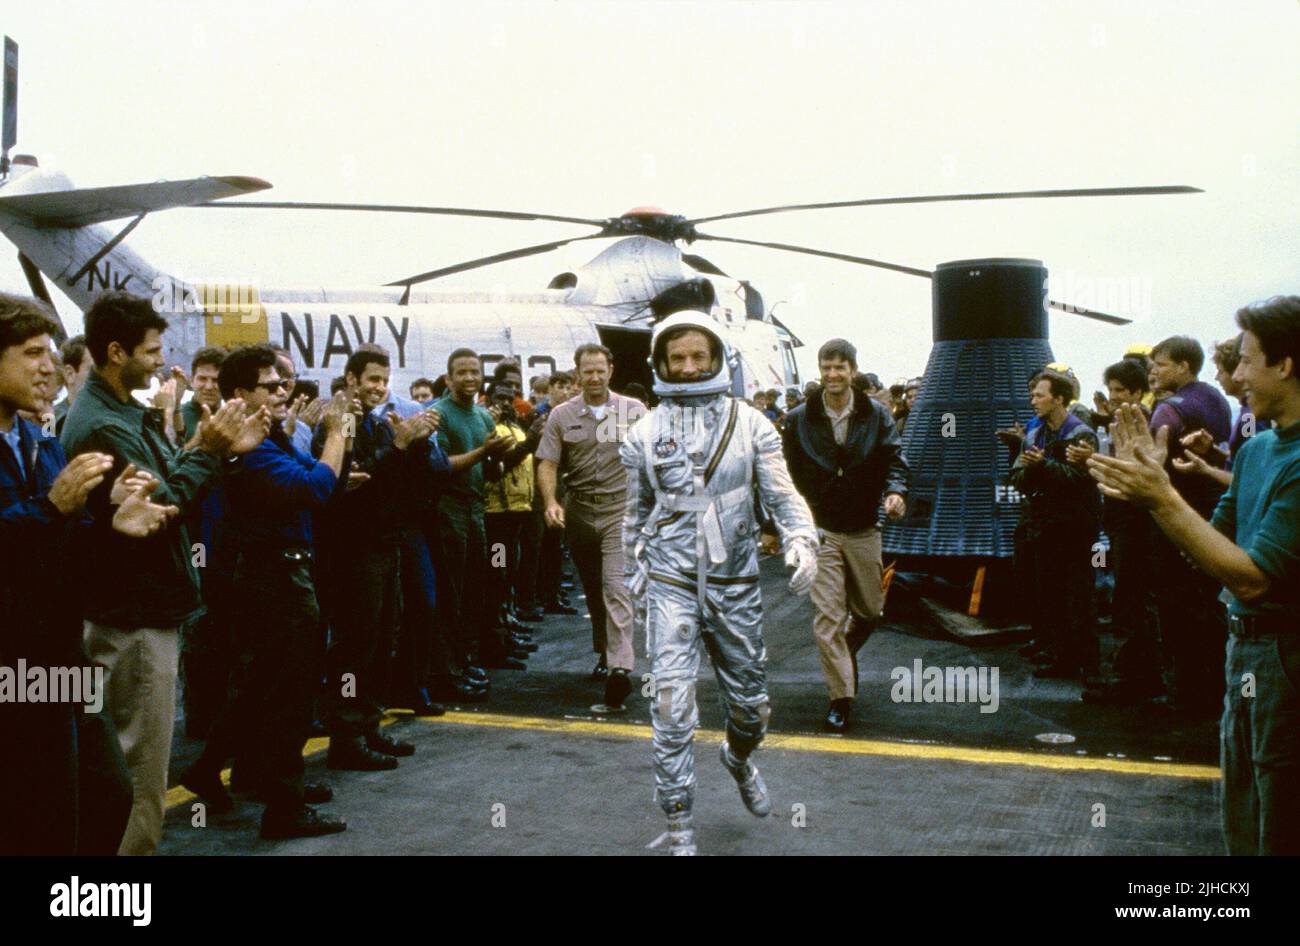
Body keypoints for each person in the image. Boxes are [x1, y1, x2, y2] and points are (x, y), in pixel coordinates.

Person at [1088, 295, 1300, 854]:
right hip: (1244, 653)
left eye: (1249, 360)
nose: (1238, 376)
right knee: (1244, 813)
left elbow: (1254, 579)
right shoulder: (1255, 453)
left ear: (1286, 364)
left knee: (1281, 817)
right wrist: (1159, 484)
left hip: (1284, 656)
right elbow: (1209, 549)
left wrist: (1161, 499)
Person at [60, 291, 269, 855]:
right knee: (138, 775)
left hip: (141, 610)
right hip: (135, 616)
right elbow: (162, 505)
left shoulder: (122, 412)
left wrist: (211, 448)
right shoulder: (105, 426)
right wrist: (211, 449)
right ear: (114, 351)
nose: (159, 360)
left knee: (134, 766)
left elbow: (163, 479)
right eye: (151, 351)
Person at [622, 311, 818, 856]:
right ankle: (680, 823)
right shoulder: (644, 432)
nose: (687, 369)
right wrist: (627, 574)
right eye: (676, 359)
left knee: (752, 709)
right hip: (671, 578)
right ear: (660, 363)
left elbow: (782, 494)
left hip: (734, 579)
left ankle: (737, 757)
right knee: (670, 706)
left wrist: (801, 538)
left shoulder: (752, 424)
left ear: (716, 359)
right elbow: (634, 514)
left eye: (698, 357)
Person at [0, 292, 175, 855]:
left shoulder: (37, 440)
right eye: (31, 352)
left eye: (51, 351)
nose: (49, 365)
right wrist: (51, 509)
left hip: (59, 651)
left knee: (107, 793)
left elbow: (64, 545)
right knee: (41, 812)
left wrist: (110, 521)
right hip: (15, 661)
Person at [182, 344, 348, 839]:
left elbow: (313, 478)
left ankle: (228, 772)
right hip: (274, 580)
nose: (284, 392)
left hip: (270, 574)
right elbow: (315, 486)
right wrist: (336, 434)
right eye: (272, 386)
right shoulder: (249, 448)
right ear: (241, 394)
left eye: (284, 384)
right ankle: (284, 805)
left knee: (258, 686)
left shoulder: (267, 439)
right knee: (289, 695)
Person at [314, 348, 438, 769]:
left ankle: (367, 723)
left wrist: (414, 444)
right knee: (354, 647)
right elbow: (355, 484)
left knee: (382, 641)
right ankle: (346, 734)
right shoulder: (341, 422)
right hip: (354, 550)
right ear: (350, 379)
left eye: (383, 380)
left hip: (386, 546)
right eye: (370, 379)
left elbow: (404, 480)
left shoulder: (375, 422)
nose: (378, 388)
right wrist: (399, 445)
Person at [783, 339, 908, 732]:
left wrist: (895, 491)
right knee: (829, 618)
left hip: (864, 528)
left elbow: (894, 460)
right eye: (826, 367)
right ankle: (841, 697)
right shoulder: (800, 418)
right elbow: (782, 474)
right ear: (819, 370)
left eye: (840, 367)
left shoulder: (877, 415)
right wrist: (778, 526)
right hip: (820, 529)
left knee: (870, 611)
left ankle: (843, 655)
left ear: (853, 370)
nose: (833, 374)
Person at [537, 343, 646, 706]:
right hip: (580, 512)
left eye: (601, 370)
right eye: (588, 371)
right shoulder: (561, 416)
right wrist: (551, 502)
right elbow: (548, 463)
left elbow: (653, 460)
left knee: (616, 586)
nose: (595, 377)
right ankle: (605, 650)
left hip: (620, 511)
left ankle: (620, 668)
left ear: (611, 370)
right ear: (578, 374)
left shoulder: (634, 411)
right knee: (594, 587)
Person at [1147, 334, 1233, 714]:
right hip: (1213, 512)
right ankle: (1213, 688)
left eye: (1161, 364)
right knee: (1207, 603)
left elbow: (1153, 451)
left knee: (1175, 603)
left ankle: (1185, 693)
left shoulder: (1169, 408)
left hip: (1176, 514)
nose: (1154, 371)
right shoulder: (1217, 399)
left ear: (1184, 366)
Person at [1077, 359, 1162, 705]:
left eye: (1120, 391)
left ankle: (1135, 678)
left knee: (1132, 599)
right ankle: (1135, 674)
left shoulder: (1141, 424)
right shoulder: (1119, 422)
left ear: (1138, 392)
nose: (1113, 397)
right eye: (1111, 390)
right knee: (1129, 598)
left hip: (1134, 521)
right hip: (1122, 520)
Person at [1007, 371, 1100, 679]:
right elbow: (1017, 476)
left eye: (1039, 395)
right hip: (1044, 524)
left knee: (1077, 595)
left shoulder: (1081, 435)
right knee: (1049, 593)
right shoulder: (1035, 435)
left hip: (1074, 526)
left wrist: (1042, 466)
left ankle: (1084, 657)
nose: (1033, 401)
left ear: (1059, 399)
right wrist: (1034, 469)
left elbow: (1079, 479)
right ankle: (1058, 651)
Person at [432, 348, 515, 691]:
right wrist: (485, 452)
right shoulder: (439, 415)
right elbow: (442, 467)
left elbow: (491, 471)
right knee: (451, 591)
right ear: (449, 379)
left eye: (474, 372)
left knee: (474, 590)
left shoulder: (483, 417)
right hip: (449, 509)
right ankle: (447, 670)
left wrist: (500, 456)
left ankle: (465, 660)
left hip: (477, 509)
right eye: (462, 372)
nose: (469, 378)